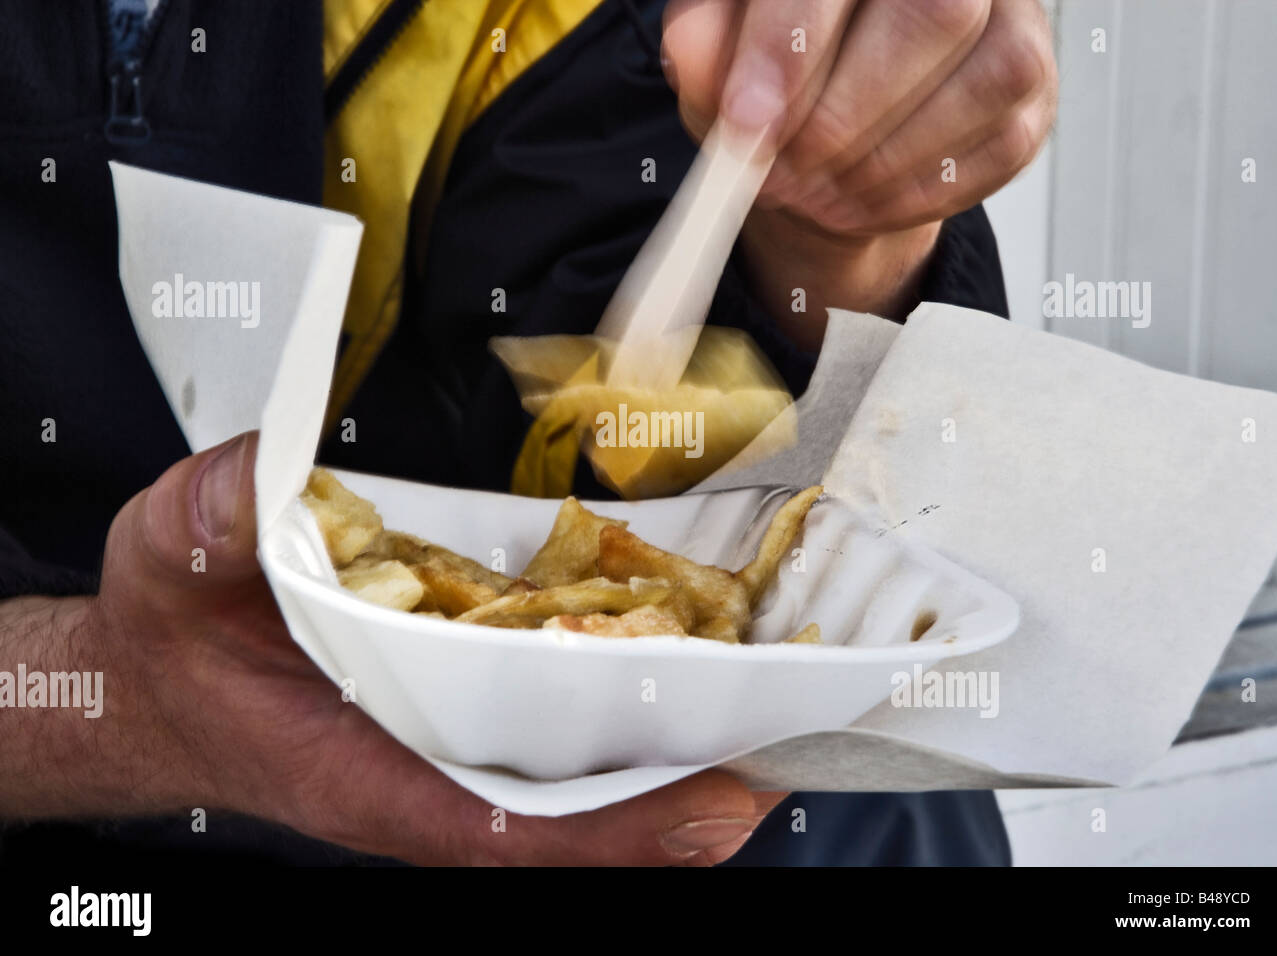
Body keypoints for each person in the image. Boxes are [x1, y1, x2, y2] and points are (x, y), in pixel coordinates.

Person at [0, 0, 1055, 865]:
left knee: (867, 813)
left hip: (451, 720)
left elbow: (630, 406)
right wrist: (109, 695)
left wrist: (833, 243)